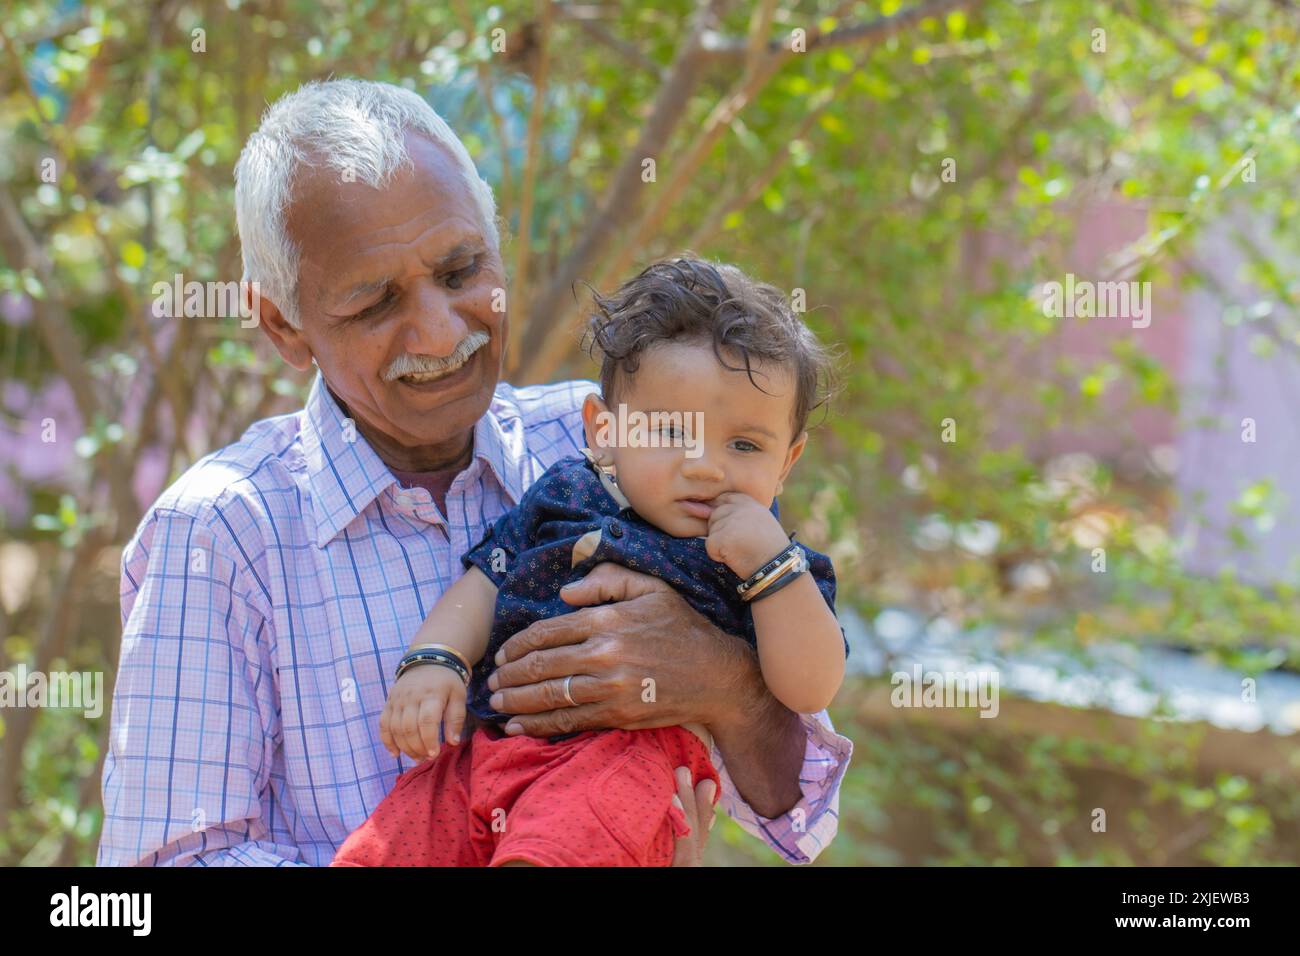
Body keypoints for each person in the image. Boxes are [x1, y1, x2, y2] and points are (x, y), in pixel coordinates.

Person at [97, 79, 853, 867]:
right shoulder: (221, 534)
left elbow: (793, 805)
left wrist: (721, 684)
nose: (437, 329)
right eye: (374, 303)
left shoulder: (617, 442)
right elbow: (164, 865)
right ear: (286, 325)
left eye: (461, 272)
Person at [331, 257, 847, 867]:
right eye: (671, 432)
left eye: (744, 445)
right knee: (393, 842)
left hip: (627, 760)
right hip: (490, 747)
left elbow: (809, 686)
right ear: (604, 430)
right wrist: (434, 660)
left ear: (786, 462)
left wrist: (772, 570)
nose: (706, 466)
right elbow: (486, 578)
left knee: (564, 846)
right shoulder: (568, 493)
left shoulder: (765, 560)